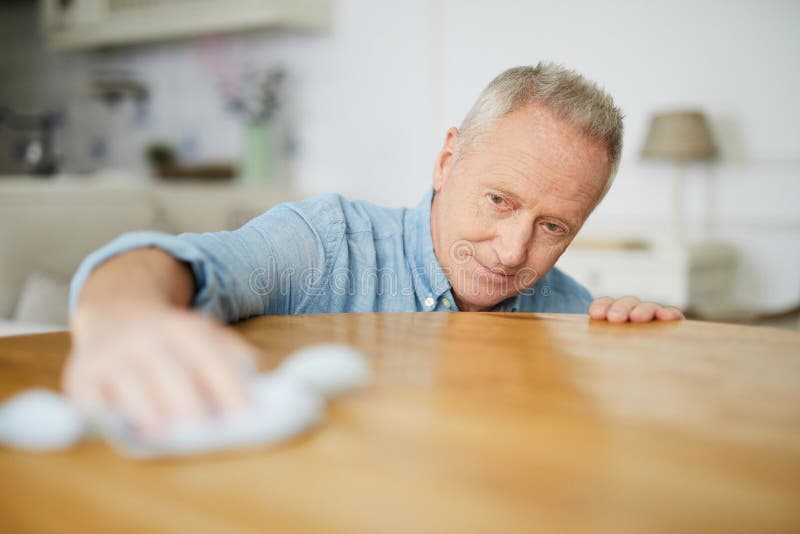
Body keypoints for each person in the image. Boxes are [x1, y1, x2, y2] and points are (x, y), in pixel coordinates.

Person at [64, 63, 683, 435]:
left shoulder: (569, 309)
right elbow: (166, 263)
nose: (512, 251)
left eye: (555, 228)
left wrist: (642, 351)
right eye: (500, 201)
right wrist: (124, 318)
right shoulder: (329, 243)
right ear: (447, 160)